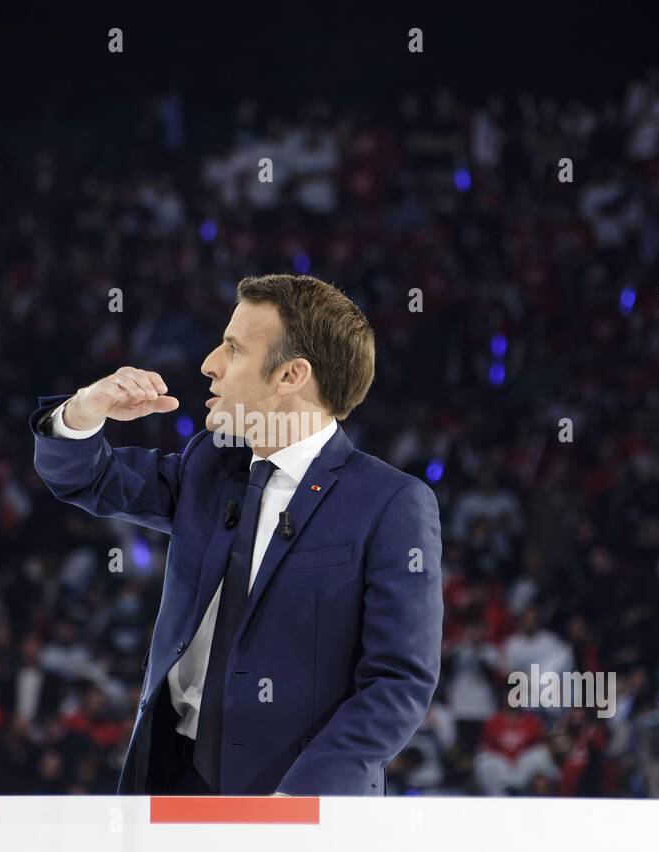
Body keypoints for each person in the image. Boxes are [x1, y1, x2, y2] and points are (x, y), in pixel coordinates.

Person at [29, 274, 443, 795]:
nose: (209, 365)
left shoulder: (391, 504)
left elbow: (398, 682)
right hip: (170, 784)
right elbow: (87, 477)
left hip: (293, 800)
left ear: (290, 375)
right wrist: (86, 408)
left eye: (232, 349)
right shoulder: (209, 462)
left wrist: (300, 800)